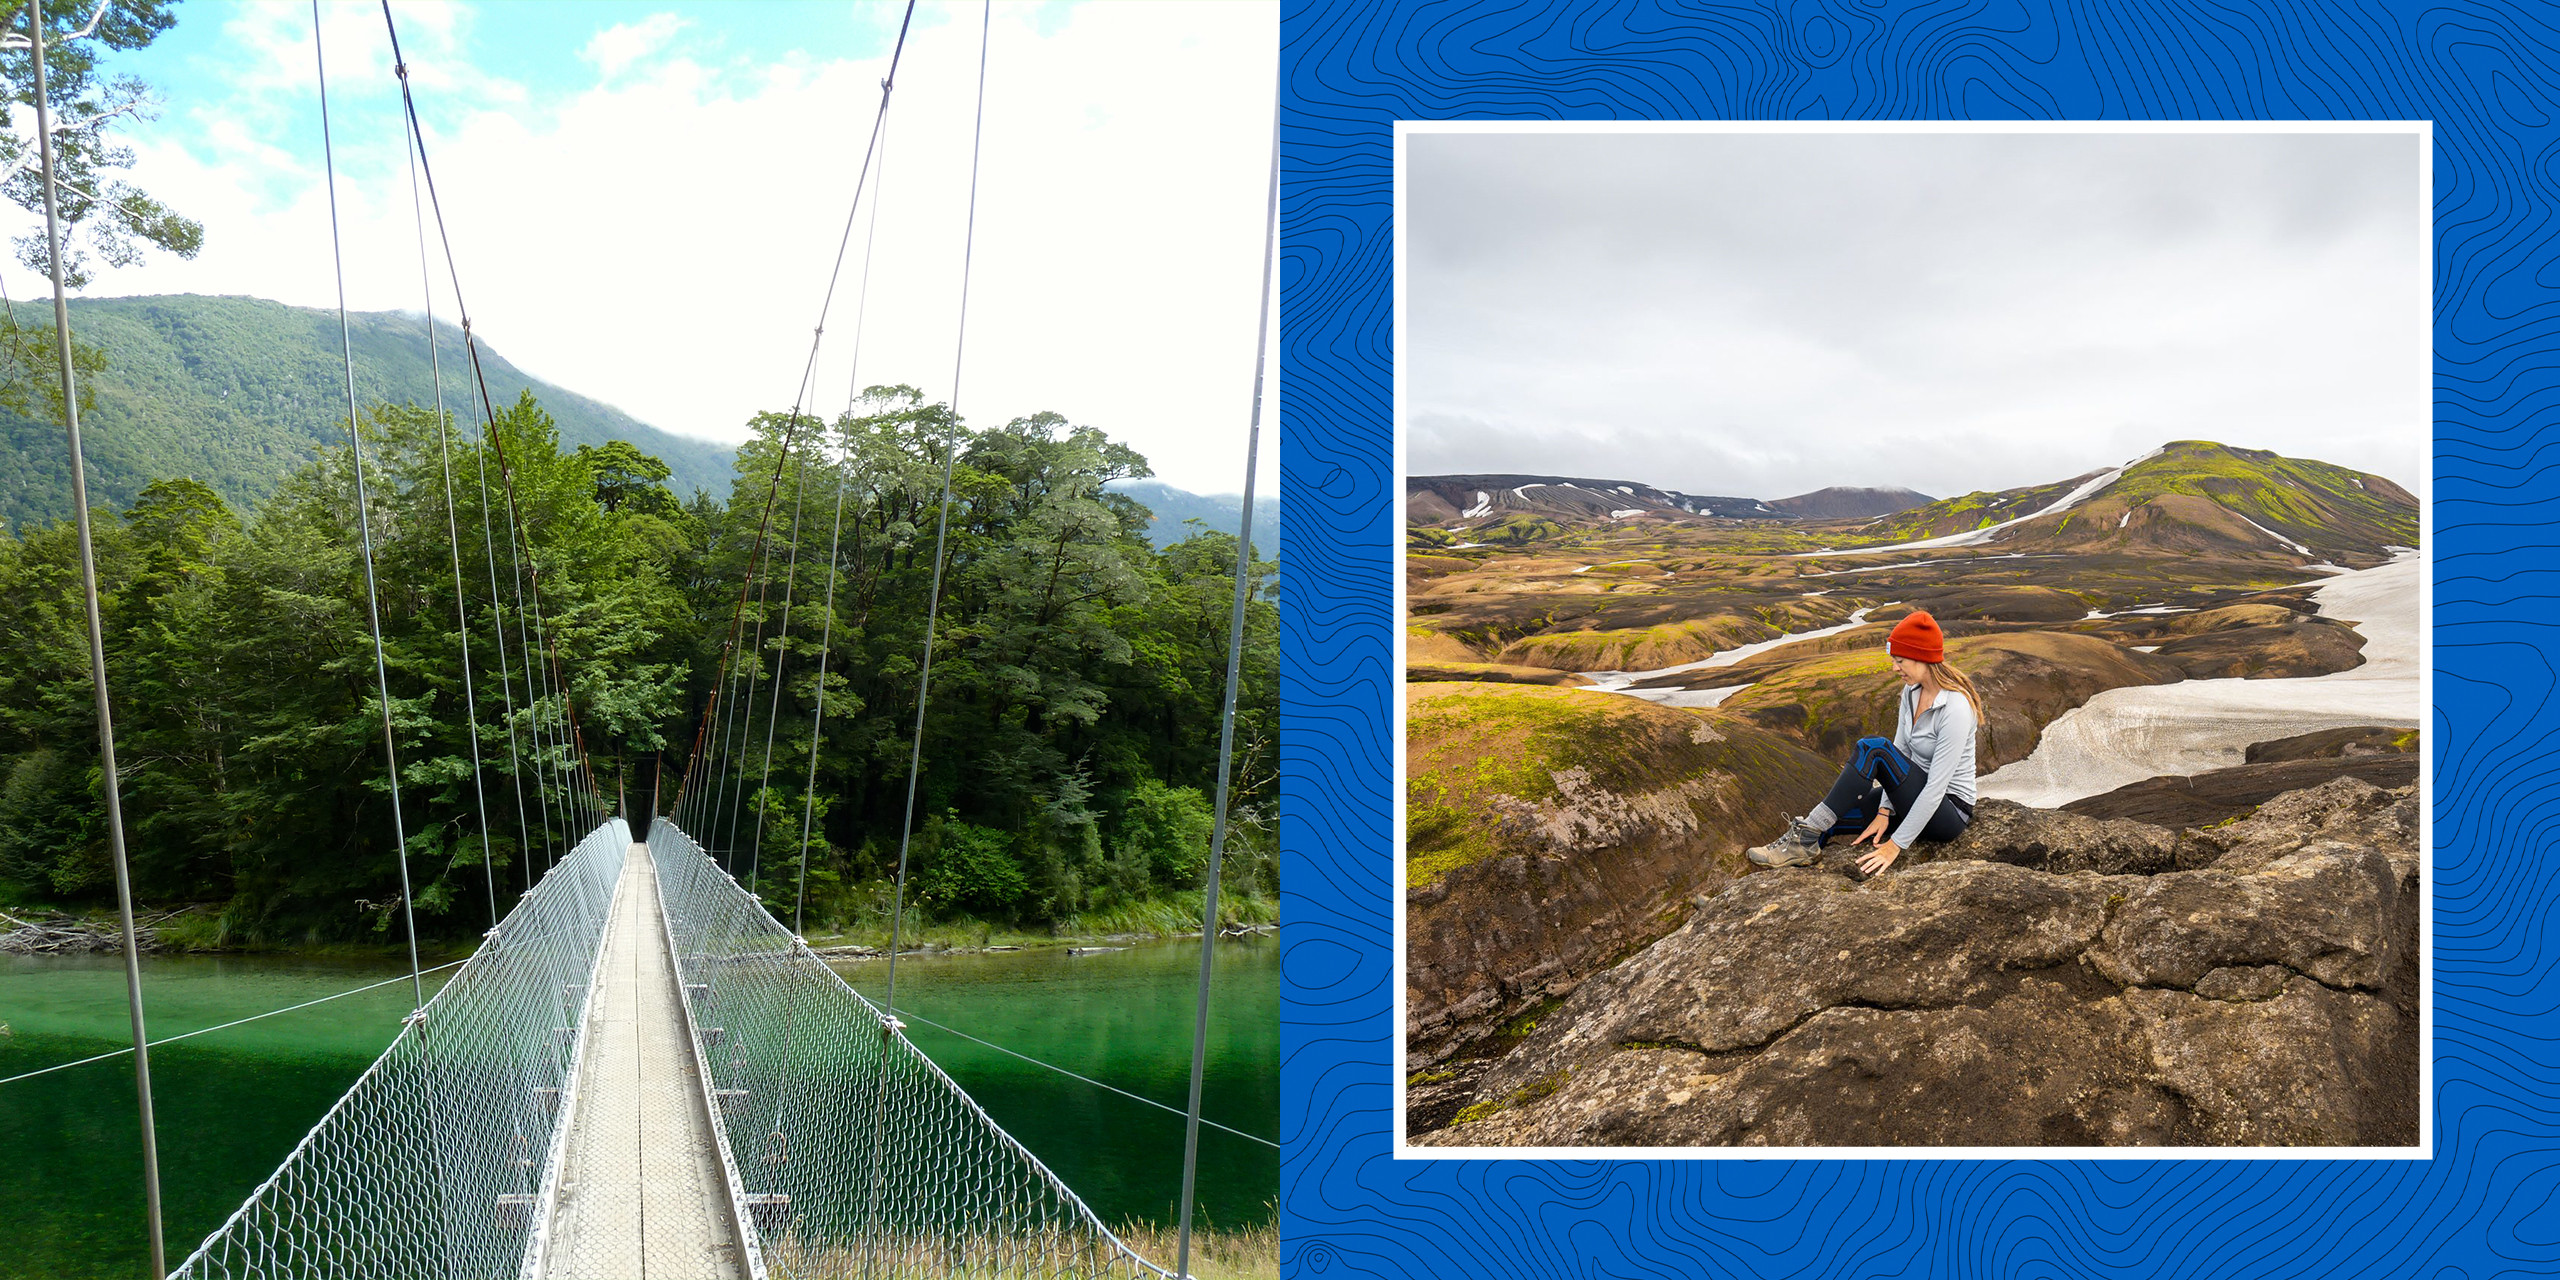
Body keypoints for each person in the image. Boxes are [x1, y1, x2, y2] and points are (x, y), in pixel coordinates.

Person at [1745, 609, 1980, 876]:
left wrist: (1895, 846)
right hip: (1911, 798)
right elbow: (1902, 753)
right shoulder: (1911, 692)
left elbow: (1935, 788)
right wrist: (1884, 810)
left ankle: (1805, 838)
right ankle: (1782, 867)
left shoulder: (1956, 708)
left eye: (1900, 660)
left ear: (1923, 658)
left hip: (1947, 812)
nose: (1895, 668)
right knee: (1830, 821)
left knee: (1874, 749)